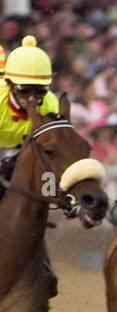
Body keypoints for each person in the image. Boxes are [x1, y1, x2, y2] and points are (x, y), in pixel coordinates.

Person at [0, 37, 64, 295]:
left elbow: (49, 153)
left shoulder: (50, 105)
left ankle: (42, 265)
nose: (33, 98)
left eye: (40, 90)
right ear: (10, 84)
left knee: (31, 205)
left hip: (19, 151)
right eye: (25, 90)